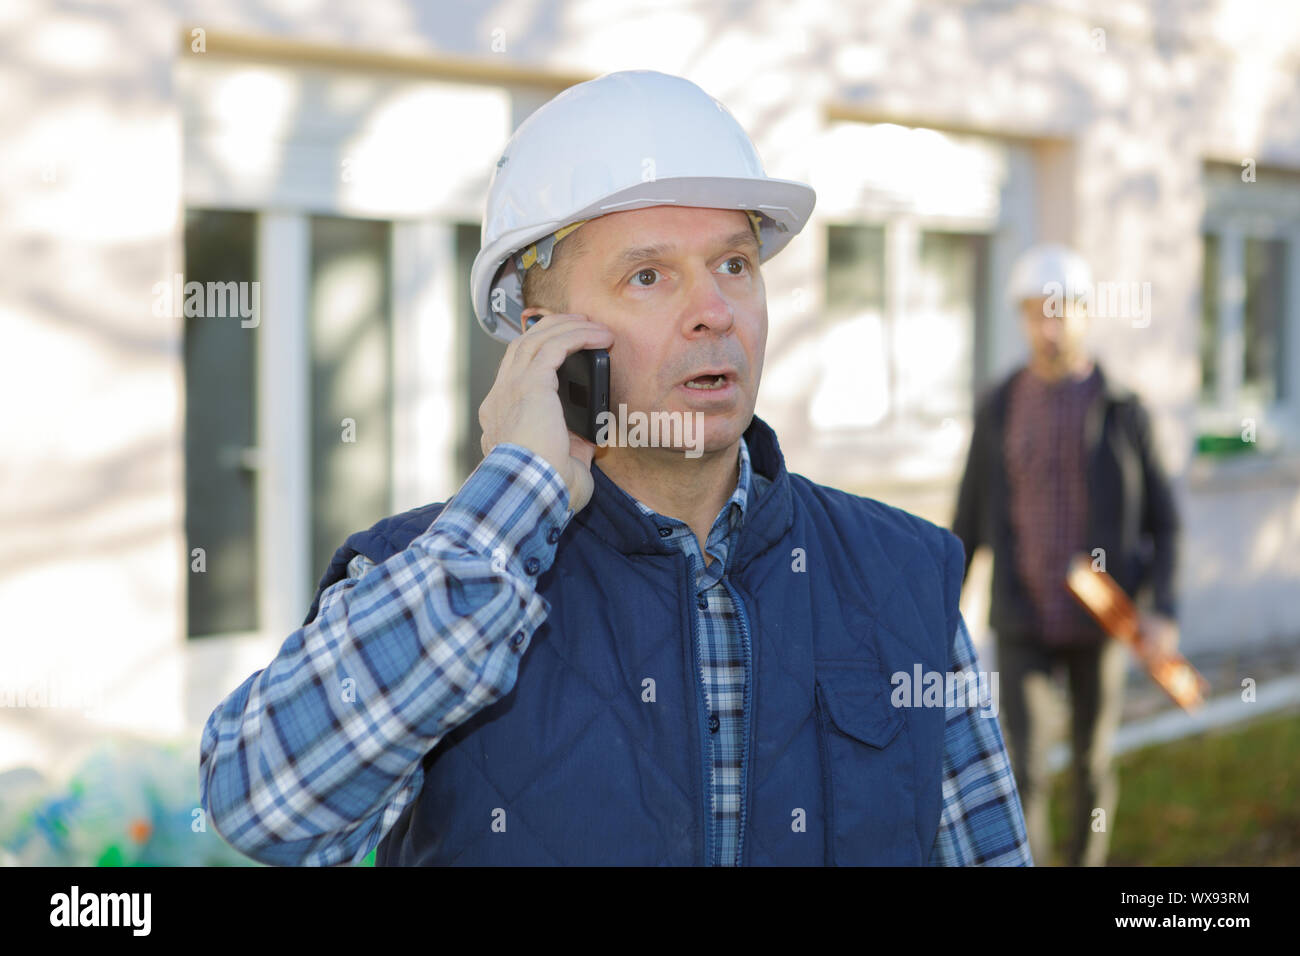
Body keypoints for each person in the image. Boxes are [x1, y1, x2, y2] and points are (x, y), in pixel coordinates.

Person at [199, 69, 1030, 866]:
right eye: (649, 275)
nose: (714, 312)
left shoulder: (902, 575)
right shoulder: (431, 575)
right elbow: (262, 807)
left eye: (735, 265)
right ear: (544, 340)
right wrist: (514, 498)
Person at [952, 243, 1181, 867]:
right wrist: (941, 604)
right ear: (1022, 318)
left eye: (1059, 312)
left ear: (1083, 313)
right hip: (1023, 612)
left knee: (1092, 761)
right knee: (1021, 767)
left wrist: (1161, 608)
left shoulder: (1122, 408)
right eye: (1034, 313)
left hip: (1103, 617)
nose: (1047, 327)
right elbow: (968, 517)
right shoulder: (999, 406)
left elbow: (1166, 521)